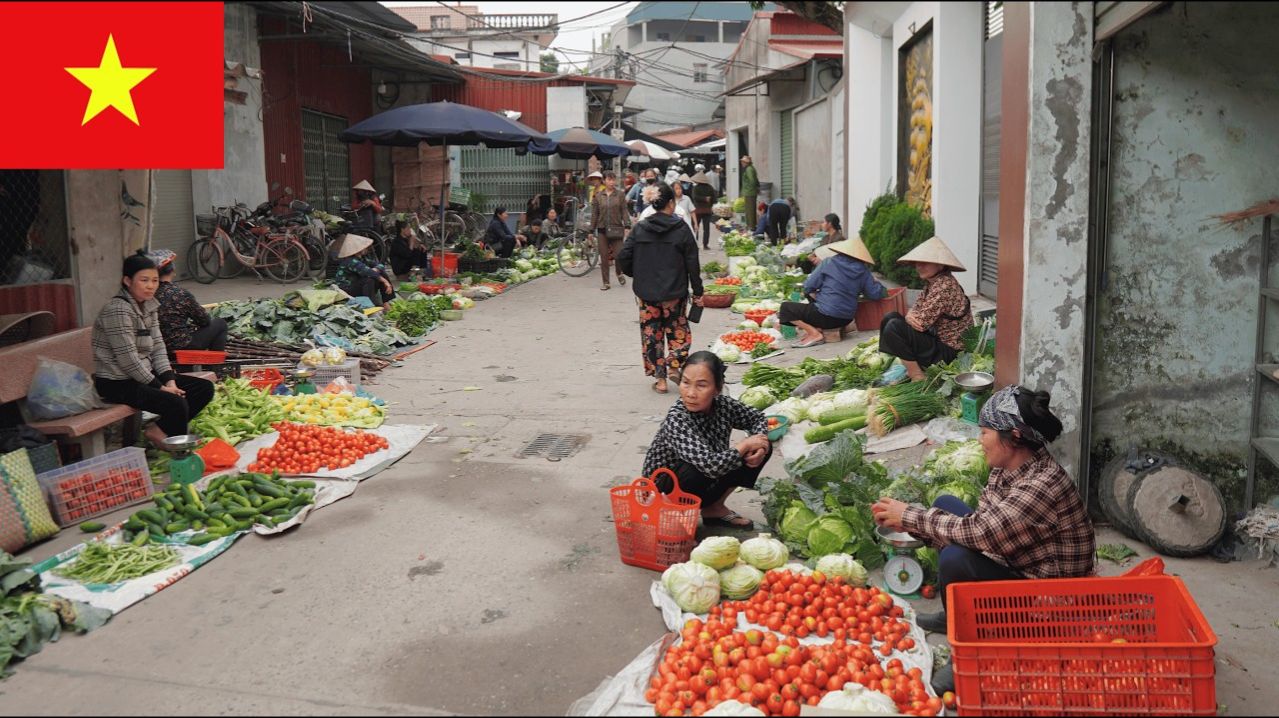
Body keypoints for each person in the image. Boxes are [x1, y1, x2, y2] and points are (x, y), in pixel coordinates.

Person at [871, 385, 1094, 693]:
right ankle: (956, 616)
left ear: (1013, 438)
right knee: (946, 505)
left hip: (1049, 602)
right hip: (1016, 560)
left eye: (984, 432)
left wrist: (910, 516)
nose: (979, 441)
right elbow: (981, 526)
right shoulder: (1011, 466)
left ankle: (966, 652)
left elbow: (980, 533)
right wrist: (912, 524)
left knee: (955, 559)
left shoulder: (1040, 486)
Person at [92, 251, 214, 446]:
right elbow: (128, 361)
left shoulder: (150, 305)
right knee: (176, 402)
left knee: (203, 389)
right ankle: (177, 449)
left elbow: (158, 347)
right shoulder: (117, 309)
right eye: (144, 280)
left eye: (155, 280)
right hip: (116, 382)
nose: (151, 286)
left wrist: (170, 381)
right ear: (127, 281)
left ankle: (159, 430)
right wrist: (161, 387)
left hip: (141, 375)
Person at [640, 351, 771, 528]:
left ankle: (713, 508)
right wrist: (744, 445)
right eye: (685, 383)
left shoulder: (724, 405)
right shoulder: (677, 418)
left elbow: (757, 418)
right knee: (696, 468)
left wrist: (759, 448)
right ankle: (675, 522)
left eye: (701, 385)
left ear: (717, 388)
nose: (691, 393)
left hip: (707, 474)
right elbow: (710, 465)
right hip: (663, 489)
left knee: (762, 444)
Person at [619, 181, 704, 395]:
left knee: (651, 334)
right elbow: (693, 263)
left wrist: (637, 274)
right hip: (674, 292)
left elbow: (622, 257)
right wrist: (699, 291)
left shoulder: (640, 228)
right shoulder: (681, 228)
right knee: (678, 330)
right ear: (670, 203)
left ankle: (660, 380)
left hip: (647, 293)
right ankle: (674, 365)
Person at [879, 236, 974, 380]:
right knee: (890, 317)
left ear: (940, 266)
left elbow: (921, 323)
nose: (919, 266)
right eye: (917, 263)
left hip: (951, 352)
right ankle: (909, 366)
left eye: (925, 263)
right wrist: (911, 315)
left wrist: (911, 316)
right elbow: (915, 310)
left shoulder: (944, 286)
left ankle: (917, 375)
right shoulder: (933, 283)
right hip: (937, 341)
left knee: (894, 327)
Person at [779, 238, 885, 348]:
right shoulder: (863, 270)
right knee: (817, 303)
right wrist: (877, 283)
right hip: (846, 319)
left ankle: (814, 334)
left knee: (786, 308)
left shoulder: (829, 262)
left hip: (826, 316)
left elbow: (808, 286)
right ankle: (817, 329)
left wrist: (819, 294)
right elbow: (875, 294)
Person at [150, 249, 227, 353]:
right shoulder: (181, 294)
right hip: (183, 346)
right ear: (173, 271)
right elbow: (204, 320)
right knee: (220, 323)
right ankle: (216, 363)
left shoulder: (148, 293)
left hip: (157, 347)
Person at [590, 171, 631, 291]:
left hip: (617, 229)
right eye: (609, 179)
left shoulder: (620, 195)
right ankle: (606, 282)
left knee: (619, 255)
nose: (612, 182)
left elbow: (624, 211)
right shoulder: (598, 196)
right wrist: (590, 231)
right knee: (604, 257)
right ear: (604, 181)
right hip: (602, 229)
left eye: (613, 179)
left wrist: (627, 226)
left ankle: (619, 272)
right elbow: (594, 214)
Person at [332, 234, 395, 307]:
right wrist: (385, 281)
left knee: (381, 273)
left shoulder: (363, 258)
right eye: (364, 248)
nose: (366, 249)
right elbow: (367, 272)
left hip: (357, 284)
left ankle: (386, 302)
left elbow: (380, 265)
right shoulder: (349, 261)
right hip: (347, 289)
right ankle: (371, 305)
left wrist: (376, 269)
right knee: (369, 280)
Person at [689, 171, 717, 250]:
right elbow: (714, 199)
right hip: (707, 210)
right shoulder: (710, 188)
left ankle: (695, 243)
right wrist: (708, 201)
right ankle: (705, 245)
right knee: (706, 229)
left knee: (695, 227)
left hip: (697, 210)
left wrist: (703, 199)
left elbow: (695, 198)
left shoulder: (696, 188)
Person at [739, 155, 759, 230]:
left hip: (749, 192)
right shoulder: (750, 168)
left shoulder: (749, 169)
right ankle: (751, 225)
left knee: (749, 210)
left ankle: (751, 226)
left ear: (746, 163)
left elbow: (752, 181)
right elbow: (755, 180)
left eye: (742, 162)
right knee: (750, 209)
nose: (741, 163)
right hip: (750, 192)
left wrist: (750, 189)